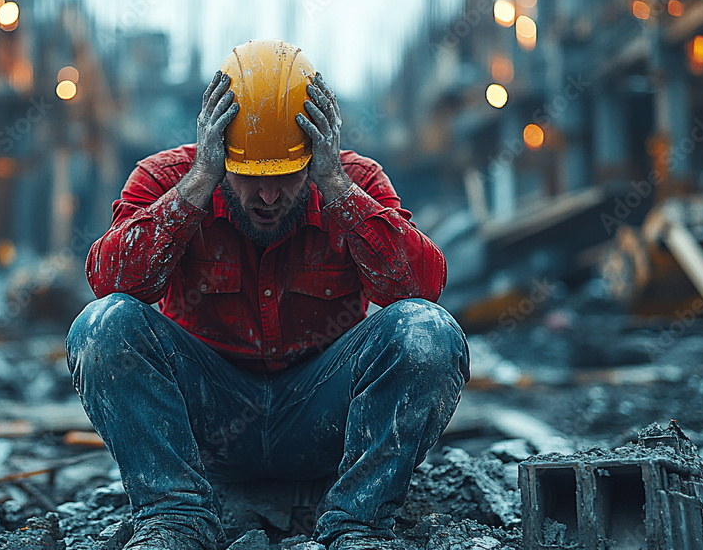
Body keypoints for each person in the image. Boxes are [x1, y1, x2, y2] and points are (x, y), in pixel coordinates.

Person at [66, 39, 470, 550]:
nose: (269, 196)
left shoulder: (353, 180)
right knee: (102, 325)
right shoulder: (171, 178)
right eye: (250, 179)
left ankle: (359, 525)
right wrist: (199, 185)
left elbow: (420, 290)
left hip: (320, 415)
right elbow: (111, 283)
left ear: (312, 155)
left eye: (286, 177)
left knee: (428, 331)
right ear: (220, 155)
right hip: (210, 420)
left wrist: (335, 186)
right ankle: (175, 519)